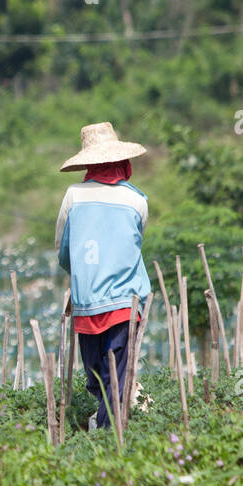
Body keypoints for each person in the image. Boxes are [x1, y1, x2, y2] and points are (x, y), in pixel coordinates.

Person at [54, 122, 150, 430]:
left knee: (97, 371)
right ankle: (111, 422)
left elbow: (63, 250)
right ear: (123, 163)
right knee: (112, 375)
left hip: (87, 299)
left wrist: (86, 272)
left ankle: (107, 432)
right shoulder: (138, 200)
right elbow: (134, 245)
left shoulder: (73, 196)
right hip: (126, 300)